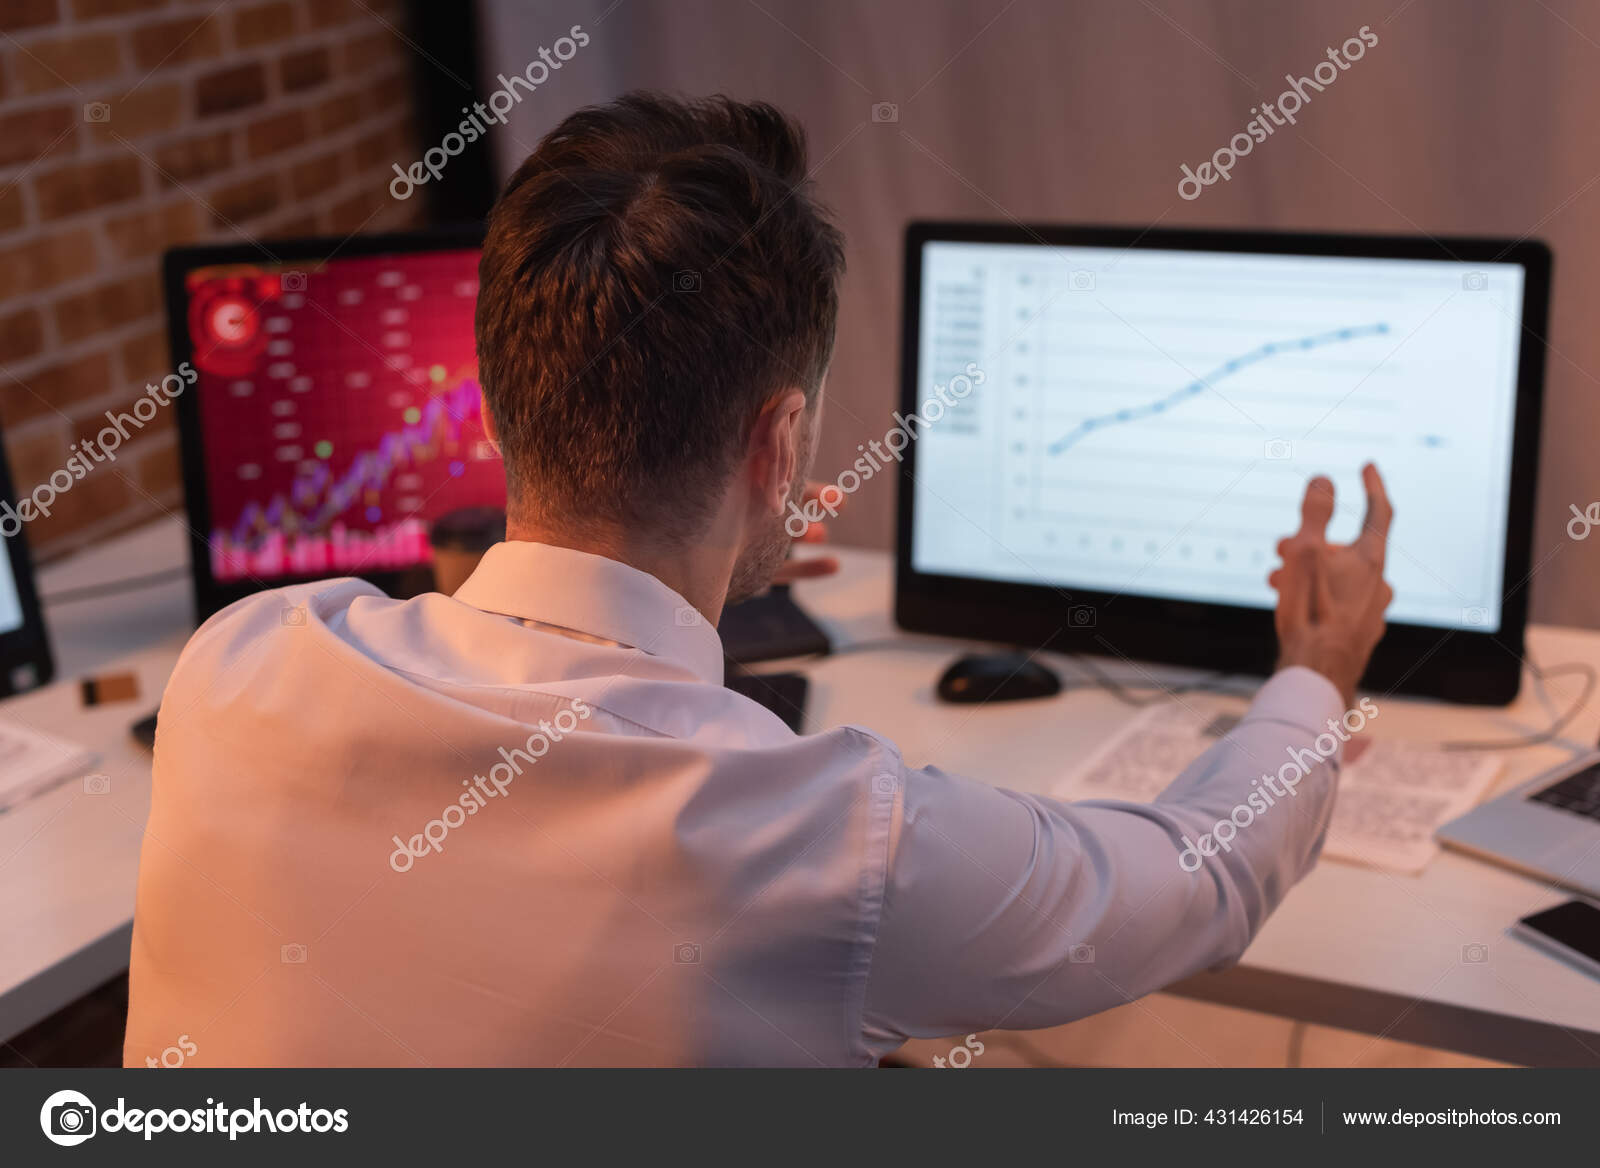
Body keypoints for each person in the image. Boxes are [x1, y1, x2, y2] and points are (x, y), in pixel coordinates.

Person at [124, 93, 1393, 1067]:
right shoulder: (837, 841)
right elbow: (1201, 877)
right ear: (778, 443)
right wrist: (1316, 672)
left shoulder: (239, 663)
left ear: (501, 406)